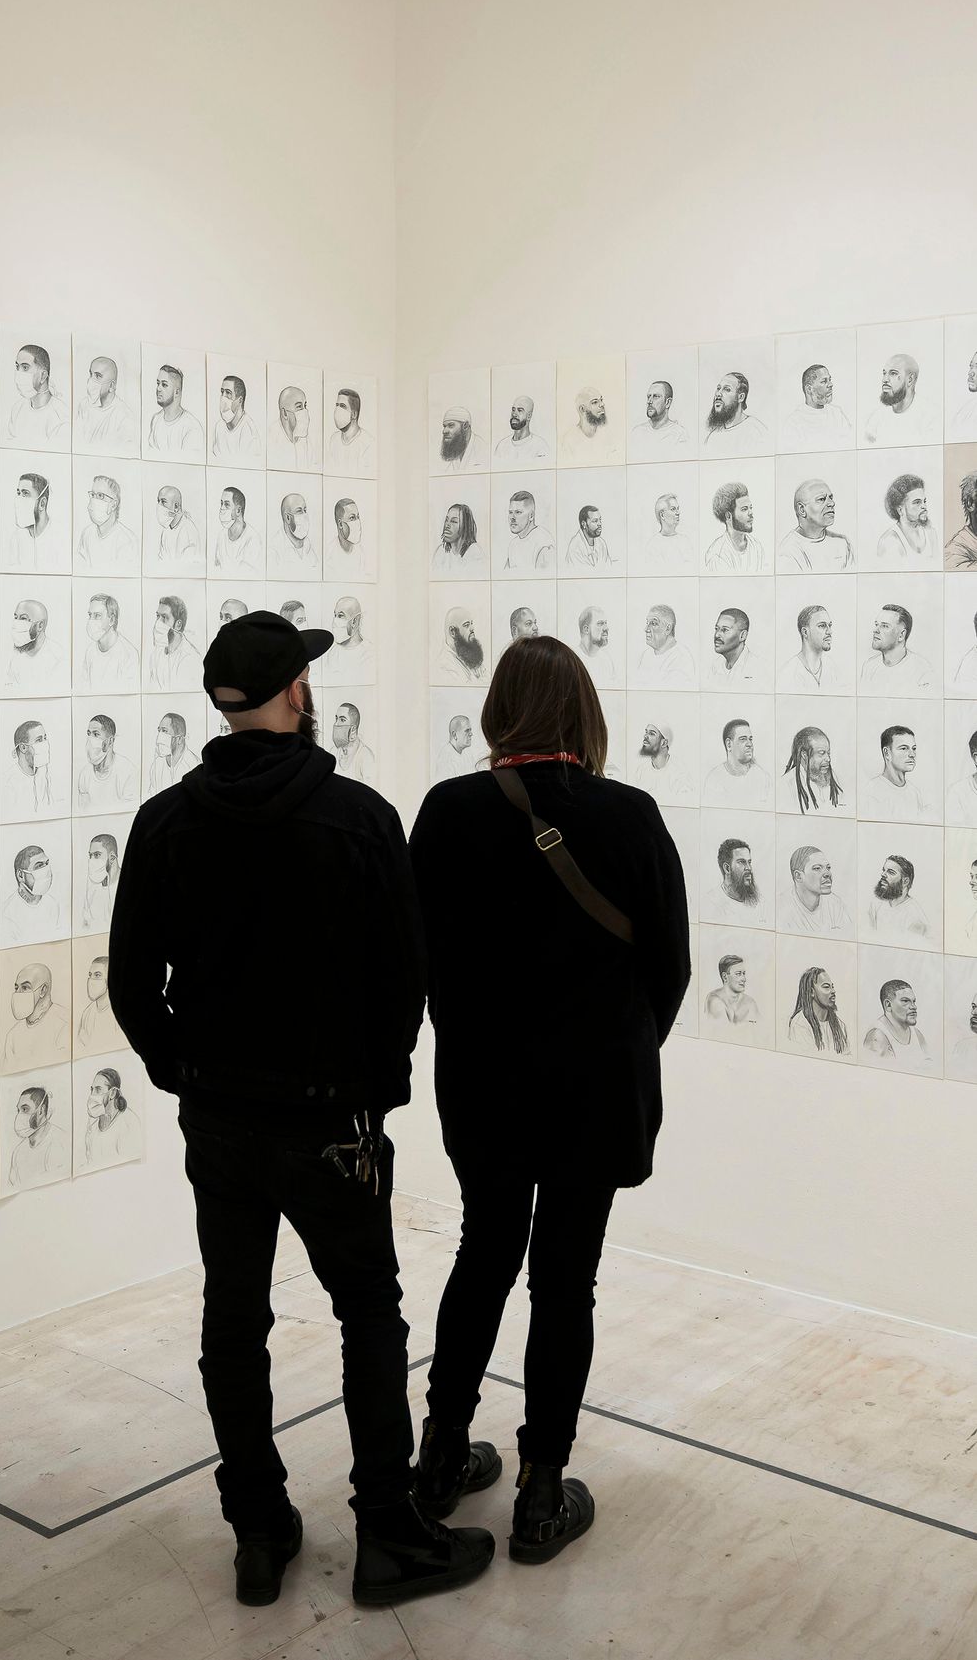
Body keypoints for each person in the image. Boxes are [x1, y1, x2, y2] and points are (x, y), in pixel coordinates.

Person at [109, 607, 493, 1606]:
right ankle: (387, 1535)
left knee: (233, 1319)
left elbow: (129, 982)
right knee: (367, 1308)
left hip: (222, 1119)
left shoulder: (167, 821)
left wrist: (179, 1068)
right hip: (332, 1121)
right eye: (305, 675)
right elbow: (405, 974)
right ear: (295, 693)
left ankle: (259, 1530)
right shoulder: (358, 817)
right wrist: (378, 1086)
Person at [408, 634, 688, 1562]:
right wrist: (618, 1043)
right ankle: (539, 1491)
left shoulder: (446, 812)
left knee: (483, 1251)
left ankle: (440, 1455)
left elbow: (422, 958)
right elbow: (670, 966)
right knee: (567, 1274)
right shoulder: (630, 813)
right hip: (591, 1088)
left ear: (500, 712)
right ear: (583, 714)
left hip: (483, 1085)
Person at [862, 353, 941, 446]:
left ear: (910, 379)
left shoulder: (931, 416)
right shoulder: (876, 418)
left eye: (893, 373)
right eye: (884, 373)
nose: (885, 379)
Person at [2, 962, 70, 1069]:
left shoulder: (65, 1023)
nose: (18, 993)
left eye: (25, 987)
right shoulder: (13, 1035)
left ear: (43, 990)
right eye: (16, 988)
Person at [777, 478, 854, 571]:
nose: (832, 503)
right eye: (821, 499)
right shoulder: (788, 551)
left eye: (831, 498)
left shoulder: (843, 543)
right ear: (802, 509)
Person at [861, 725, 934, 821]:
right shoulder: (872, 791)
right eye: (904, 748)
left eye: (914, 748)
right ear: (887, 753)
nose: (912, 754)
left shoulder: (914, 793)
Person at [781, 844, 854, 936]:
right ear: (798, 876)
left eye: (828, 868)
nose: (827, 874)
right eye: (817, 868)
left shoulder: (835, 904)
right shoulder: (781, 906)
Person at [860, 603, 933, 693]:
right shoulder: (869, 666)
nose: (875, 630)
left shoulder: (921, 670)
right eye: (876, 624)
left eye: (885, 626)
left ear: (901, 635)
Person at [779, 363, 854, 451]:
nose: (830, 384)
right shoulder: (794, 421)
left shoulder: (836, 413)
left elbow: (849, 444)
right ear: (809, 389)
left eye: (830, 379)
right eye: (824, 381)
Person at [6, 344, 68, 445]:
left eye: (25, 367)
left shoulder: (60, 416)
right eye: (17, 367)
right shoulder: (17, 408)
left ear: (43, 375)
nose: (19, 373)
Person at [701, 837, 771, 926]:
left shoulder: (760, 903)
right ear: (727, 868)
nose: (749, 868)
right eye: (742, 862)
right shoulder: (711, 903)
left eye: (749, 862)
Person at [1, 844, 63, 943]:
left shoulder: (53, 904)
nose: (46, 870)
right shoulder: (7, 914)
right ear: (21, 875)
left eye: (46, 863)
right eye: (39, 866)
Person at [7, 1086, 68, 1187]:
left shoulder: (60, 1142)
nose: (19, 1116)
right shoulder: (18, 1152)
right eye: (19, 1110)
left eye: (25, 1109)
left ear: (41, 1110)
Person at [701, 718, 772, 805]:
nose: (749, 744)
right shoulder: (714, 780)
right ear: (729, 744)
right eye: (743, 739)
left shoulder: (763, 778)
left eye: (750, 739)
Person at [5, 597, 68, 694]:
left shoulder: (57, 657)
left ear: (40, 625)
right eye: (15, 617)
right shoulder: (17, 655)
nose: (16, 623)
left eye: (23, 618)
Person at [77, 713, 138, 812]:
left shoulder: (128, 771)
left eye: (96, 734)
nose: (90, 739)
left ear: (110, 741)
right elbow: (83, 810)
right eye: (89, 734)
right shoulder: (85, 774)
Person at [78, 473, 139, 570]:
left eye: (100, 496)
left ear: (114, 505)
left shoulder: (127, 540)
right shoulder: (87, 534)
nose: (94, 500)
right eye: (93, 495)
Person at [862, 979, 931, 1066]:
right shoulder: (877, 1036)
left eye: (914, 1001)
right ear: (888, 1005)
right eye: (905, 1001)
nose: (914, 1007)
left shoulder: (917, 1035)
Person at [83, 1067, 143, 1166]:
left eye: (98, 1090)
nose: (92, 1095)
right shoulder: (92, 1126)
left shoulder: (129, 1123)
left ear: (113, 1093)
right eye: (92, 1089)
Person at [76, 355, 136, 451]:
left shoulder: (124, 416)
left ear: (111, 386)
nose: (91, 380)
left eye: (98, 376)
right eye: (91, 374)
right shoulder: (84, 405)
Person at [704, 480, 766, 573]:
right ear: (728, 516)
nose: (751, 513)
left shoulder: (756, 547)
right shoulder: (717, 555)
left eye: (750, 508)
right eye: (744, 509)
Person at [81, 593, 140, 691]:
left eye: (97, 615)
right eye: (90, 615)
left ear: (112, 620)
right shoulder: (90, 651)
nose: (91, 620)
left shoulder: (129, 654)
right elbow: (84, 688)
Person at [781, 725, 844, 815]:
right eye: (821, 753)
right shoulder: (787, 784)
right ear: (804, 755)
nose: (828, 759)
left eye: (828, 753)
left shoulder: (833, 778)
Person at [866, 854, 929, 941]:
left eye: (891, 872)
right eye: (884, 870)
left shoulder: (915, 918)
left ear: (905, 881)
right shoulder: (876, 904)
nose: (883, 874)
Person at [877, 472, 938, 562]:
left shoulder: (931, 534)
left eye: (924, 501)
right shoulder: (889, 541)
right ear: (900, 510)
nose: (924, 506)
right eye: (917, 502)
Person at [787, 967, 849, 1053]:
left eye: (832, 987)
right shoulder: (800, 1024)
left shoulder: (840, 1026)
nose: (833, 991)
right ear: (811, 992)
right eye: (826, 987)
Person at [630, 720, 694, 803]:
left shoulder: (679, 773)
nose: (645, 736)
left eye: (652, 733)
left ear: (664, 743)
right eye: (646, 732)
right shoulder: (641, 771)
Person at [148, 595, 202, 690]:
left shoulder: (190, 658)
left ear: (178, 625)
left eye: (164, 617)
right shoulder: (156, 655)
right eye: (158, 616)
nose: (158, 622)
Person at [703, 370, 768, 446]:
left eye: (727, 389)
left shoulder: (756, 431)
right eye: (718, 388)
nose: (718, 394)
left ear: (740, 397)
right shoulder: (712, 437)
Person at [636, 602, 695, 685]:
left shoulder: (681, 658)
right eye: (647, 623)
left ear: (668, 629)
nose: (646, 629)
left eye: (653, 623)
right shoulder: (646, 655)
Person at [778, 603, 833, 691]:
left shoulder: (833, 669)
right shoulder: (788, 673)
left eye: (830, 625)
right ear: (805, 632)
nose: (830, 631)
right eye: (822, 626)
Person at [6, 719, 54, 817]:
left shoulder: (44, 774)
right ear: (23, 748)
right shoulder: (9, 782)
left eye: (45, 738)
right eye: (39, 740)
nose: (45, 744)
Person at [212, 484, 263, 575]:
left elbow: (249, 575)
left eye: (227, 504)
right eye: (221, 503)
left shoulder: (252, 539)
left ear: (238, 510)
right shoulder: (221, 536)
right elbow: (216, 569)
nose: (221, 508)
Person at [638, 491, 696, 571]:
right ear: (662, 515)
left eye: (678, 509)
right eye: (673, 509)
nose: (678, 513)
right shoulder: (653, 545)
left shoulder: (685, 541)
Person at [211, 373, 262, 463]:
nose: (223, 397)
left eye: (228, 393)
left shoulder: (249, 431)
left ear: (240, 400)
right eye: (222, 392)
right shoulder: (219, 426)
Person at [77, 956, 124, 1051]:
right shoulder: (87, 1013)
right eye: (90, 975)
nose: (91, 980)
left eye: (97, 975)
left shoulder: (120, 1012)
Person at [323, 596, 375, 683]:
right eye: (335, 615)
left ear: (355, 621)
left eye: (340, 616)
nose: (335, 621)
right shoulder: (334, 653)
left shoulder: (368, 652)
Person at [630, 380, 689, 455]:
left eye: (656, 396)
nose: (649, 401)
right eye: (648, 396)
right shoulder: (637, 432)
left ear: (667, 403)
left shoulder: (679, 434)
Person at [147, 712, 200, 795]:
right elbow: (152, 796)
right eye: (159, 730)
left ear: (179, 739)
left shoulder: (194, 765)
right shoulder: (157, 764)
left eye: (164, 731)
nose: (159, 735)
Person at [325, 387, 375, 475]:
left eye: (342, 406)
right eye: (337, 405)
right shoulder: (334, 439)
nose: (337, 410)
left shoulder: (368, 443)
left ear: (354, 414)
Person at [559, 386, 614, 464]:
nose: (602, 404)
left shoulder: (608, 436)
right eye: (595, 402)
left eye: (601, 400)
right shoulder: (569, 440)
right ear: (582, 409)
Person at [152, 484, 203, 566]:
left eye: (163, 502)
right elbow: (161, 562)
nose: (159, 506)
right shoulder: (166, 530)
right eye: (158, 501)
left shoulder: (189, 531)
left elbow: (188, 567)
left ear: (176, 506)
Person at [704, 954, 759, 1027]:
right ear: (725, 977)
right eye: (738, 974)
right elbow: (723, 1032)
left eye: (744, 973)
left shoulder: (750, 1002)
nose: (744, 979)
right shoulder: (714, 1000)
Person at [706, 607, 758, 684]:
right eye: (716, 628)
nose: (717, 635)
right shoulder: (715, 666)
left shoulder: (756, 667)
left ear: (742, 636)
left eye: (725, 630)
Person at [494, 395, 551, 464]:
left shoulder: (540, 447)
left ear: (529, 416)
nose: (514, 414)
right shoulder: (501, 446)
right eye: (513, 410)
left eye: (520, 410)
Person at [432, 502, 486, 575]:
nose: (447, 525)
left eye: (454, 521)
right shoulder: (440, 552)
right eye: (446, 520)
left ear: (465, 526)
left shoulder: (475, 553)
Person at [324, 496, 371, 578]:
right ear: (340, 524)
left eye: (358, 517)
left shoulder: (362, 554)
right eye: (352, 518)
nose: (357, 522)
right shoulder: (329, 556)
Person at [575, 605, 621, 686]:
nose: (606, 628)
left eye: (605, 623)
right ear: (586, 629)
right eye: (600, 624)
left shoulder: (606, 660)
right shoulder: (574, 658)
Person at [275, 491, 319, 577]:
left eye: (305, 510)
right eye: (299, 511)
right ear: (287, 517)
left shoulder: (308, 545)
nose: (305, 515)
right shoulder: (275, 550)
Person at [271, 384, 315, 469]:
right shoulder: (272, 438)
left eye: (305, 406)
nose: (304, 411)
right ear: (284, 413)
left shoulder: (306, 441)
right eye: (299, 406)